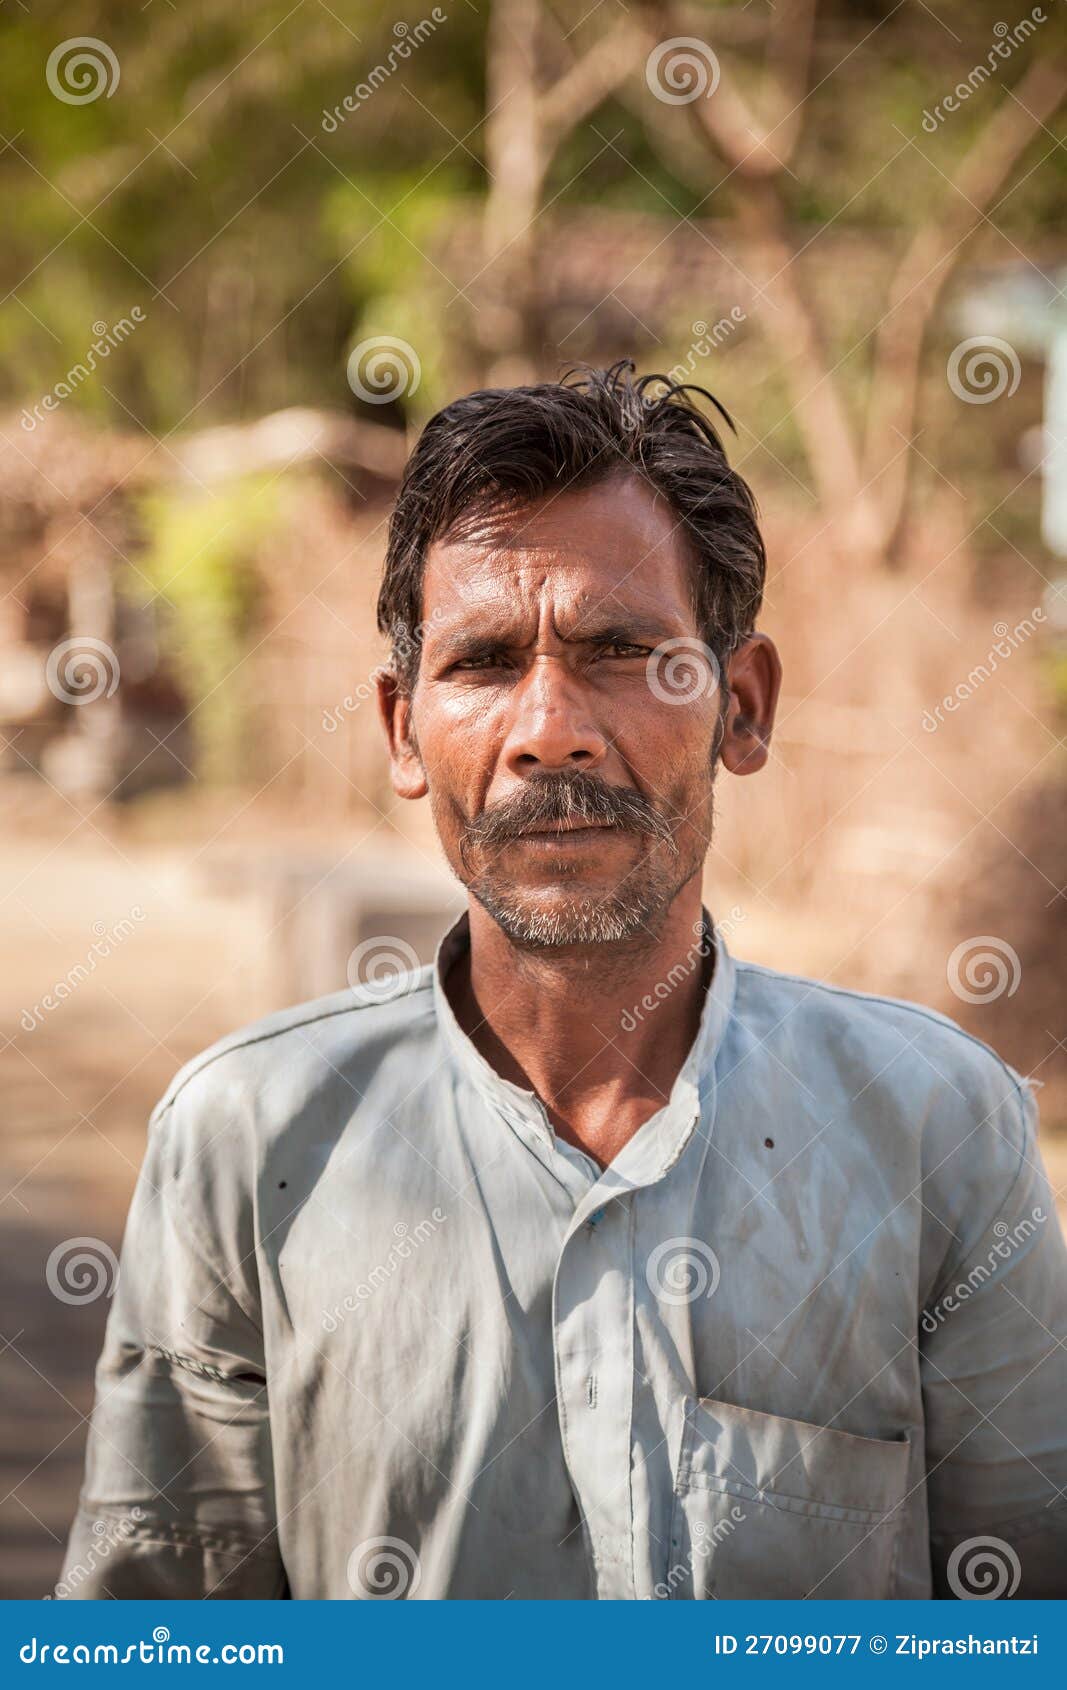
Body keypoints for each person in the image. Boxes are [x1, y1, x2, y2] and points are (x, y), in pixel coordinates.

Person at [60, 363, 1067, 1600]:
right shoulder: (246, 1140)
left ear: (739, 709)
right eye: (483, 662)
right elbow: (163, 1641)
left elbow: (1026, 1617)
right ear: (400, 733)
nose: (549, 728)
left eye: (619, 650)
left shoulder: (934, 1128)